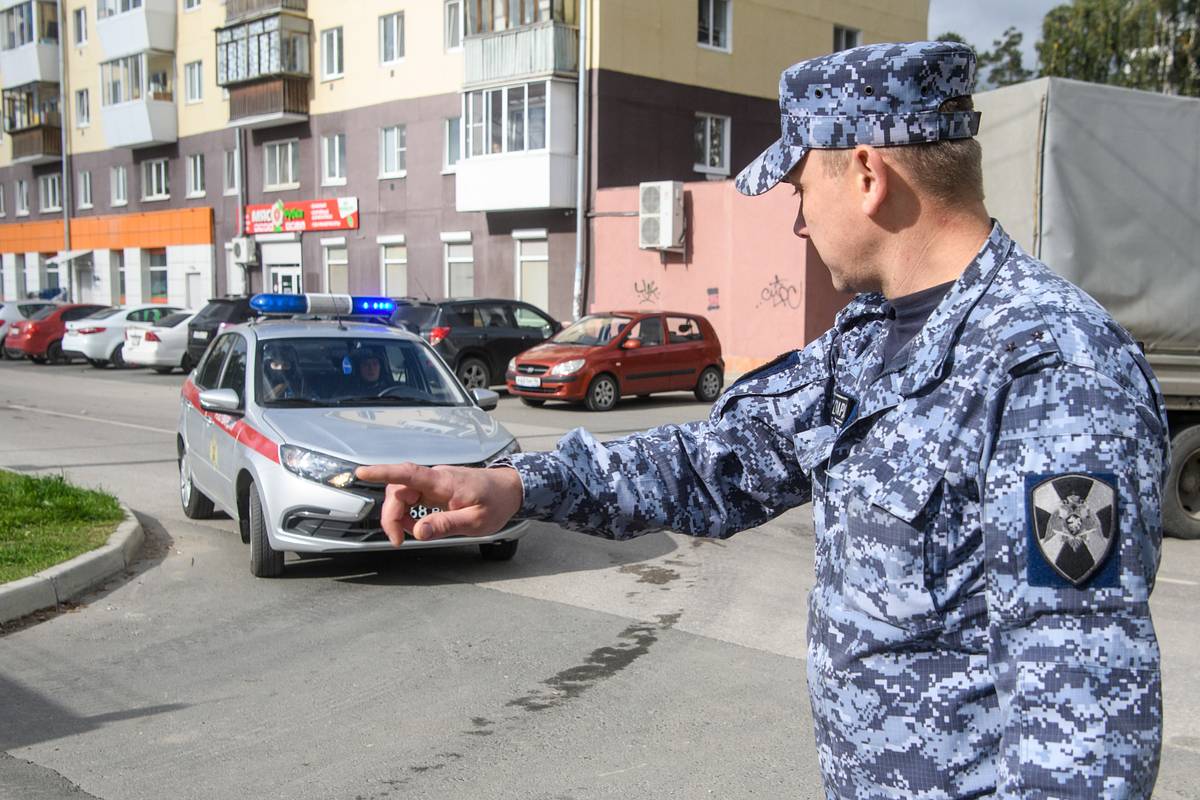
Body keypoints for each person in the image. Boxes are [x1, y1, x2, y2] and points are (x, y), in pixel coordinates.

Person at [357, 41, 1167, 799]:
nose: (798, 217)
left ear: (866, 173)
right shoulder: (871, 338)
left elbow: (1083, 716)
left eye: (799, 185)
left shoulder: (1052, 370)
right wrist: (515, 483)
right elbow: (719, 461)